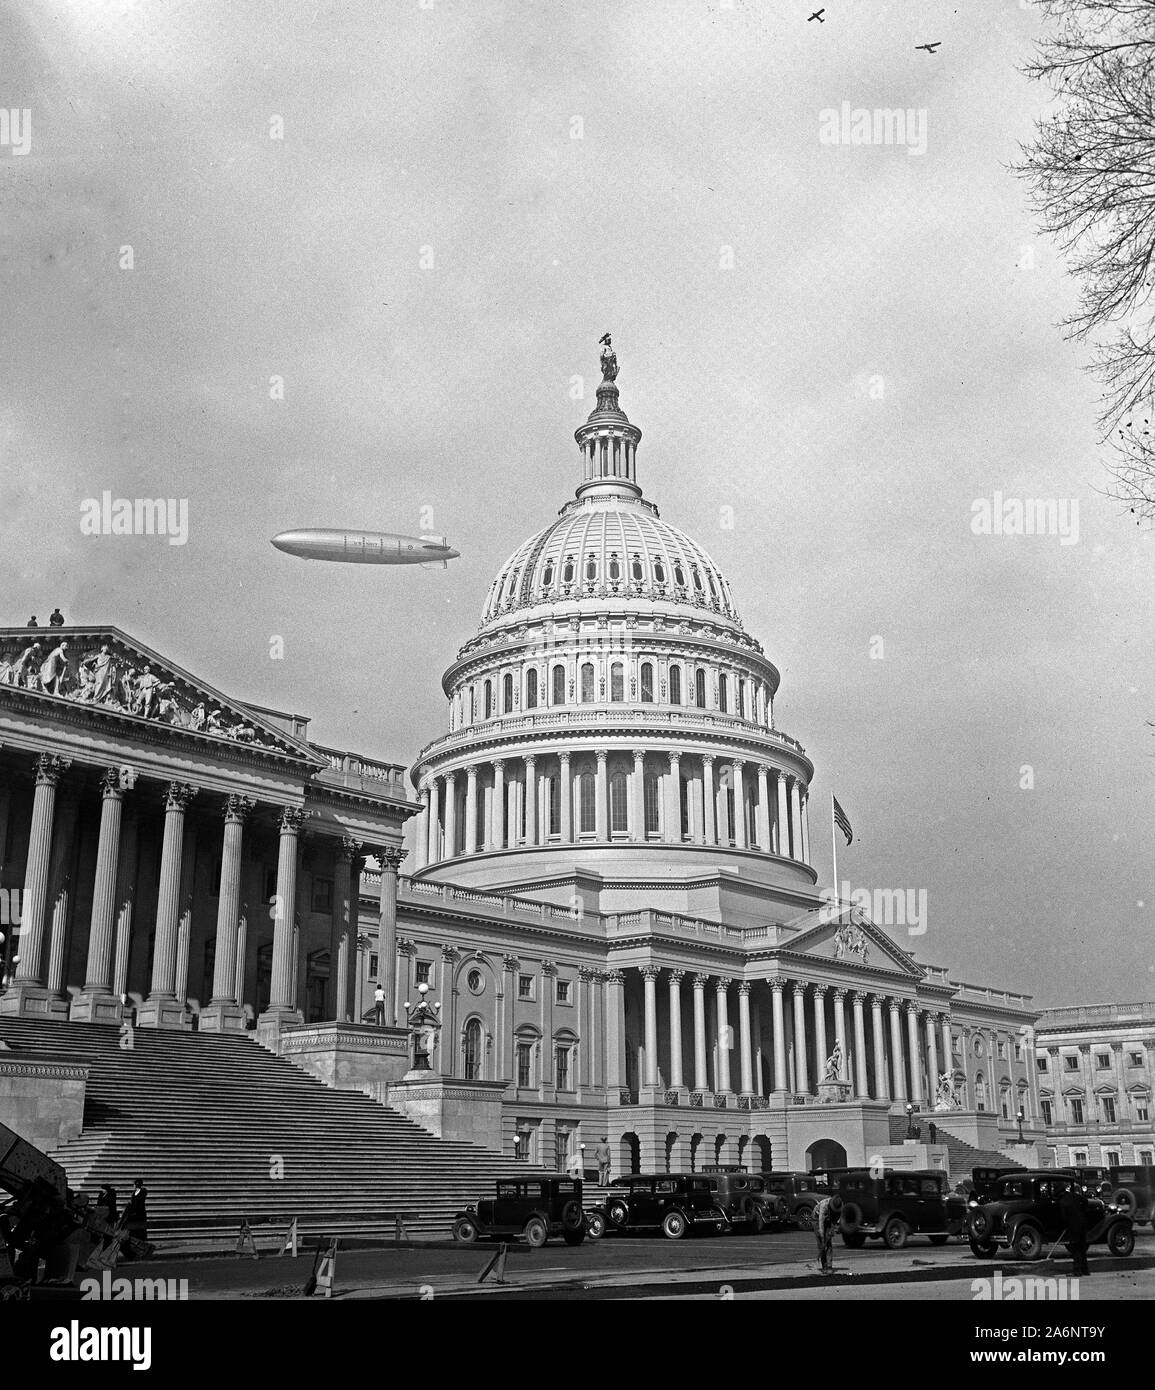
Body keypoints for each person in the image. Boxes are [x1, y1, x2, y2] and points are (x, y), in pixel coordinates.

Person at [1058, 1180, 1090, 1277]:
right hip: (1082, 1223)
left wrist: (1065, 1225)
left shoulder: (1062, 1202)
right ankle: (1085, 1270)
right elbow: (1085, 1201)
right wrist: (1082, 1211)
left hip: (1073, 1226)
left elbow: (1063, 1217)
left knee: (1075, 1249)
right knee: (1082, 1248)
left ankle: (1077, 1271)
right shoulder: (1074, 1195)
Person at [813, 1192, 844, 1275]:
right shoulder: (824, 1206)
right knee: (822, 1244)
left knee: (829, 1243)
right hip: (817, 1219)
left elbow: (837, 1218)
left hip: (829, 1219)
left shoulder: (840, 1205)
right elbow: (821, 1223)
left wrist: (832, 1229)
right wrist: (822, 1237)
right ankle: (824, 1266)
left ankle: (829, 1266)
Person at [124, 1178, 148, 1243]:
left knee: (140, 1228)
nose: (133, 1185)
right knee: (133, 1228)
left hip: (140, 1213)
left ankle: (141, 1241)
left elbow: (140, 1202)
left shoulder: (143, 1192)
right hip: (133, 1213)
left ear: (137, 1185)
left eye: (134, 1184)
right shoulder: (134, 1192)